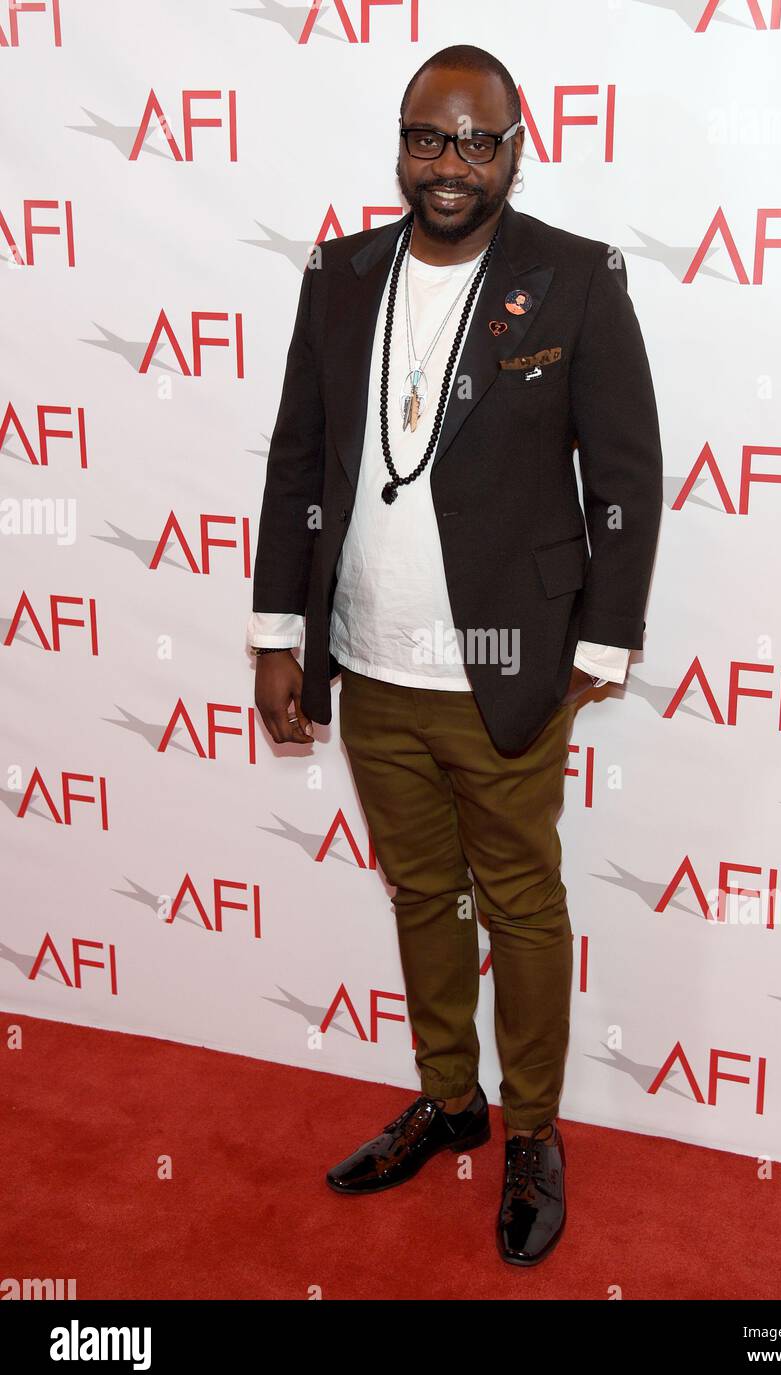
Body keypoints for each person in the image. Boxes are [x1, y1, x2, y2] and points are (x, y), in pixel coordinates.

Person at [247, 44, 663, 1267]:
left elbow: (626, 478)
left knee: (522, 904)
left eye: (476, 141)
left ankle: (531, 1130)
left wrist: (600, 642)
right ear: (399, 142)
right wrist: (280, 633)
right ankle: (450, 1097)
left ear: (515, 147)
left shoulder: (573, 278)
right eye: (428, 137)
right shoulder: (338, 274)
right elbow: (293, 458)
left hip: (506, 663)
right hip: (370, 661)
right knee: (421, 895)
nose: (449, 164)